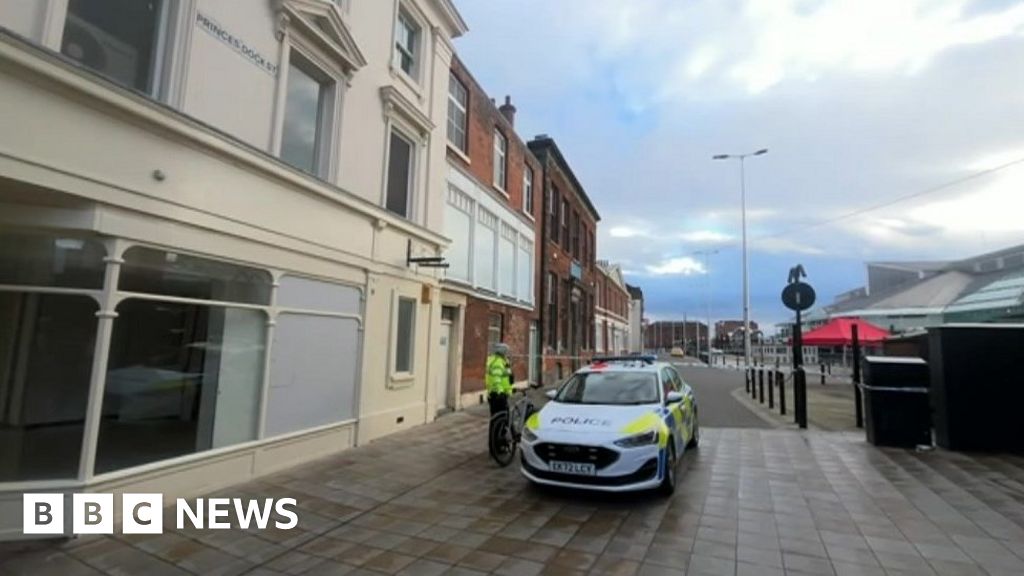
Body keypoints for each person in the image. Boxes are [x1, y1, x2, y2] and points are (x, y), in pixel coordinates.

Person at [485, 343, 513, 417]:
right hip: (497, 395)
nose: (507, 353)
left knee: (500, 417)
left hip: (501, 393)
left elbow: (506, 376)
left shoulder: (503, 361)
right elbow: (496, 379)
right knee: (500, 417)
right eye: (506, 351)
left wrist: (510, 387)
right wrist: (500, 392)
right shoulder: (498, 362)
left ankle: (499, 428)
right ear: (502, 352)